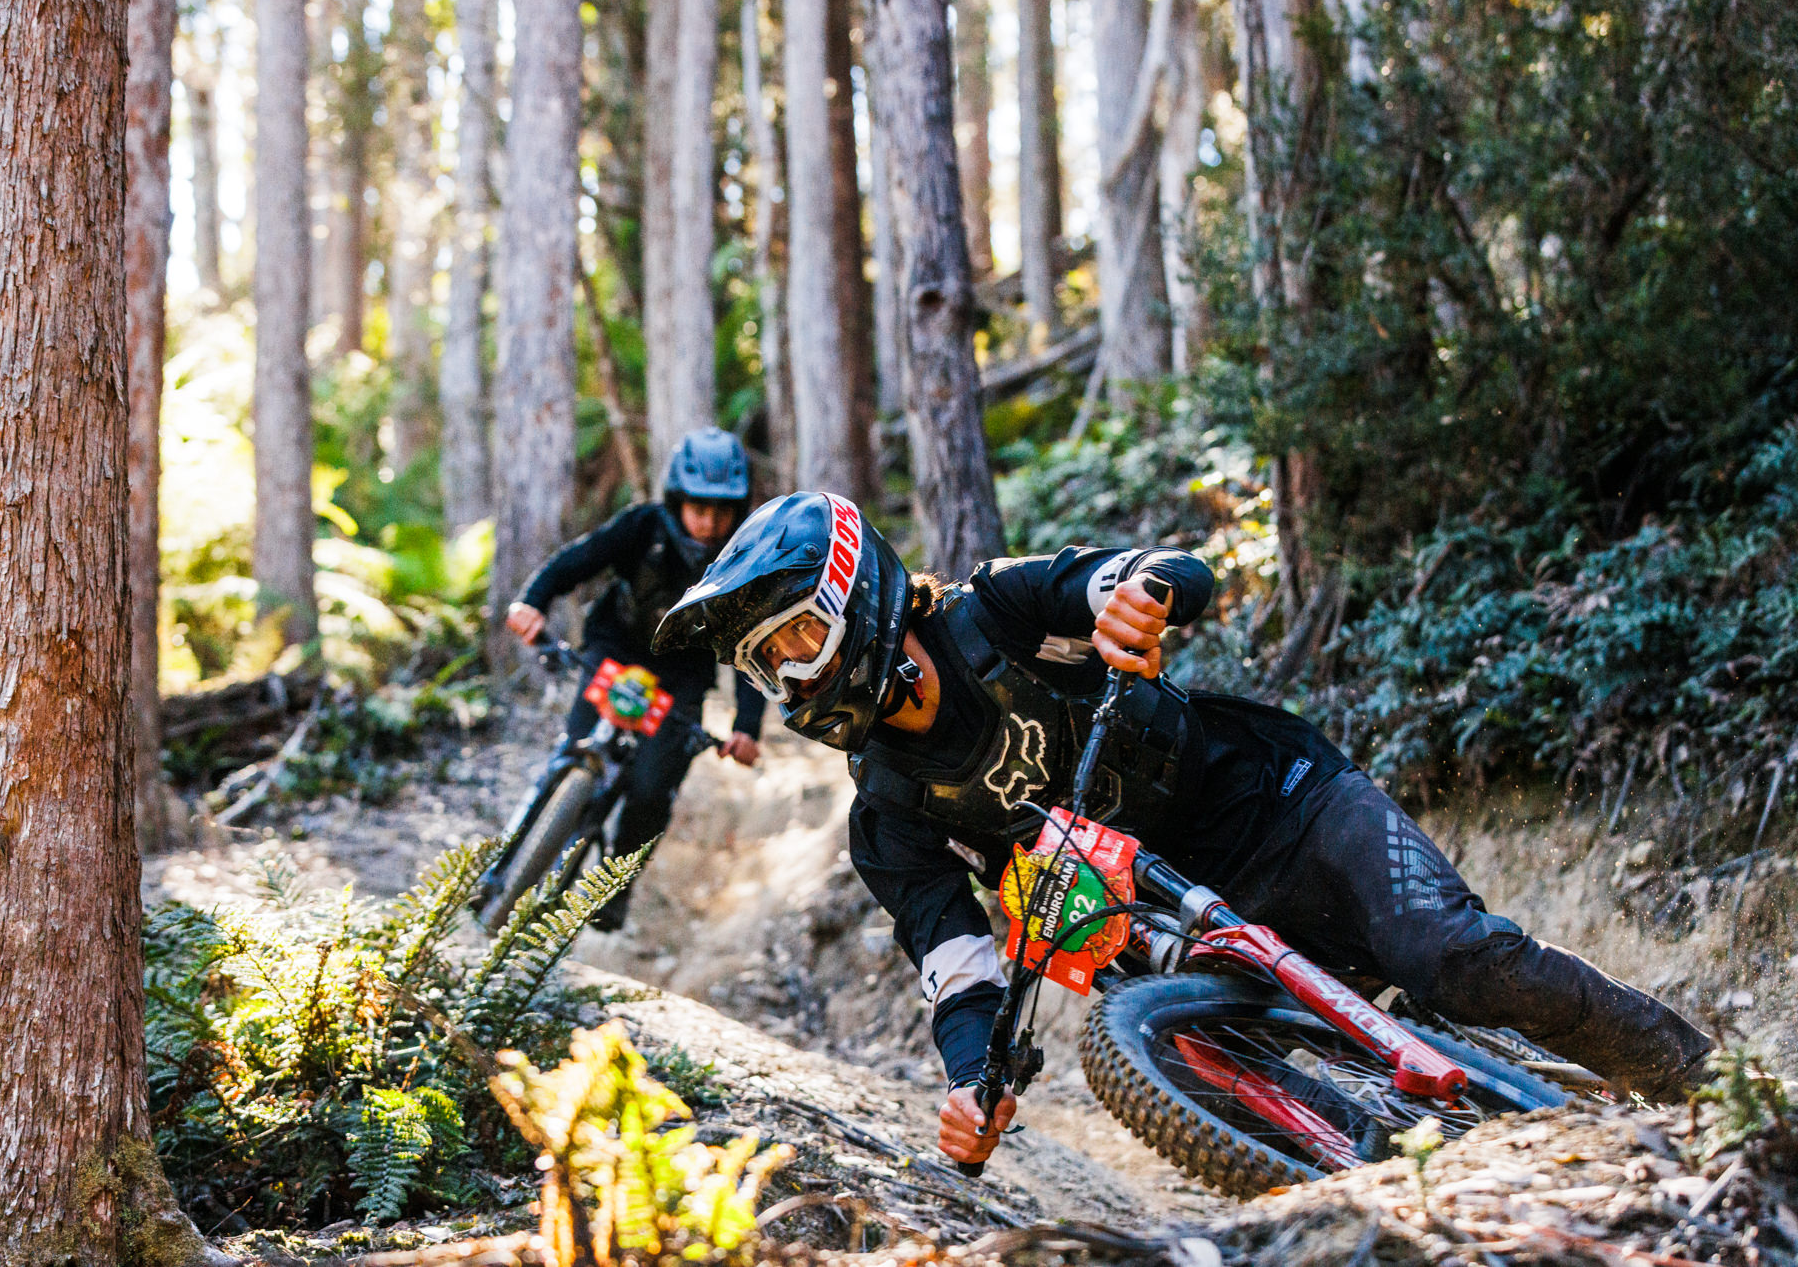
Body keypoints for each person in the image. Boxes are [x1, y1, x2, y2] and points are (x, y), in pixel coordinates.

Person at [653, 491, 1713, 1163]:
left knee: (1451, 957)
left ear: (857, 592)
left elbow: (1138, 574)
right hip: (1167, 942)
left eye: (795, 636)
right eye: (764, 661)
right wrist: (970, 1083)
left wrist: (1139, 598)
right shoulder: (886, 815)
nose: (789, 674)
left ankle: (1705, 1088)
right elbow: (958, 967)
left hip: (1287, 807)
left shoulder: (996, 610)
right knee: (1271, 1113)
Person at [503, 428, 765, 930]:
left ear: (738, 509)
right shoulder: (643, 526)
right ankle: (508, 860)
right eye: (698, 508)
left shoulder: (744, 562)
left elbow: (749, 646)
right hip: (614, 651)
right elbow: (576, 561)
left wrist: (746, 729)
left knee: (651, 788)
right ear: (676, 500)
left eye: (722, 511)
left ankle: (613, 887)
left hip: (682, 679)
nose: (709, 522)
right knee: (574, 747)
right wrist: (532, 602)